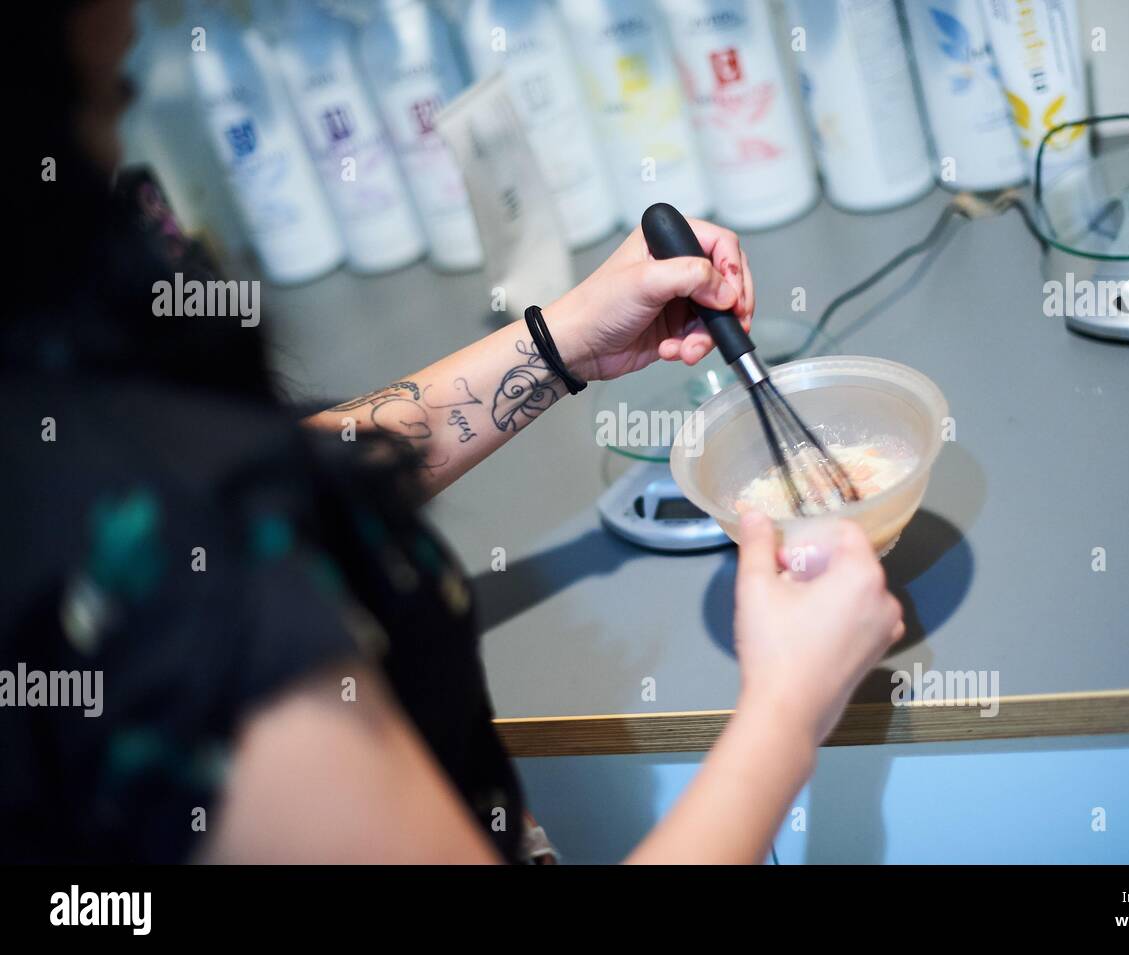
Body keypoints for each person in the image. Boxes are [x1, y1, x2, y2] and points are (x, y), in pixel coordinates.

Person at [2, 0, 904, 864]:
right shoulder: (147, 581)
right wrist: (789, 710)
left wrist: (561, 342)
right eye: (108, 91)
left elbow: (288, 477)